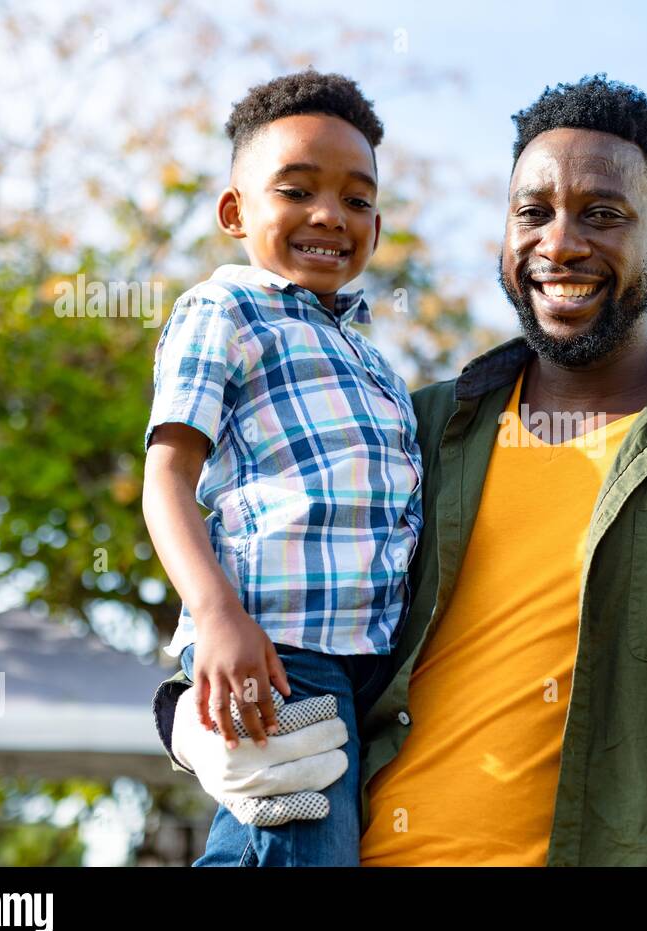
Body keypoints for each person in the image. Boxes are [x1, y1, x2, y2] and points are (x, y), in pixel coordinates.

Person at [156, 73, 647, 866]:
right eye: (533, 212)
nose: (561, 242)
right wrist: (184, 725)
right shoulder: (421, 426)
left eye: (603, 214)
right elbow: (281, 605)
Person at [142, 69, 422, 866]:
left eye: (358, 199)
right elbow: (166, 479)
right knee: (289, 846)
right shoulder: (225, 309)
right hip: (275, 646)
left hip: (367, 662)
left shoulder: (371, 361)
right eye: (296, 190)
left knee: (301, 844)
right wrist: (218, 616)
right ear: (236, 211)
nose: (330, 215)